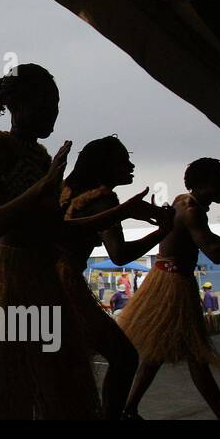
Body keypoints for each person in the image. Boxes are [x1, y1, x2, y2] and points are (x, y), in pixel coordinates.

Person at [0, 64, 155, 419]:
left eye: (57, 106)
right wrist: (44, 185)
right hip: (8, 284)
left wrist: (122, 212)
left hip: (44, 282)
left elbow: (59, 228)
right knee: (13, 394)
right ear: (21, 105)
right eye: (48, 105)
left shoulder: (41, 157)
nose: (55, 114)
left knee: (58, 390)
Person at [119, 158, 220, 420]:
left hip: (164, 281)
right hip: (175, 286)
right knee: (195, 356)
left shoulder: (184, 201)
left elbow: (202, 237)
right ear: (203, 185)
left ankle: (129, 409)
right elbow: (214, 253)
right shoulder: (193, 211)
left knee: (156, 352)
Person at [58, 134, 173, 419]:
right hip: (66, 286)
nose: (131, 165)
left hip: (46, 282)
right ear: (105, 166)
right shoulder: (103, 199)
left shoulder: (65, 192)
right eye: (124, 160)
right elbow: (119, 254)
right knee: (124, 357)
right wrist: (162, 232)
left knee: (67, 366)